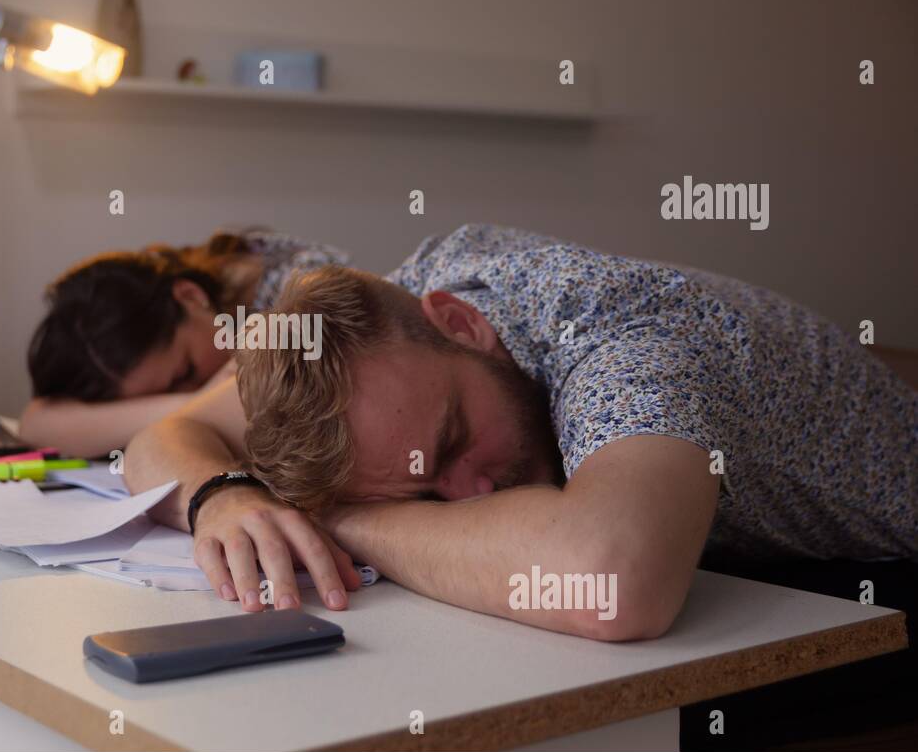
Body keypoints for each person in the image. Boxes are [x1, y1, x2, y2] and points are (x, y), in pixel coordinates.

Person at [122, 224, 918, 640]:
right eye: (424, 486)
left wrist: (341, 518)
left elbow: (608, 587)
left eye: (452, 442)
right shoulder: (388, 335)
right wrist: (224, 498)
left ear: (461, 324)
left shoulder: (624, 340)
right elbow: (170, 433)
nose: (466, 495)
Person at [19, 228, 349, 456]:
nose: (186, 390)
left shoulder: (303, 284)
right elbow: (37, 423)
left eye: (184, 372)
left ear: (190, 296)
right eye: (146, 402)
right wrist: (196, 405)